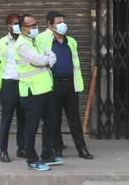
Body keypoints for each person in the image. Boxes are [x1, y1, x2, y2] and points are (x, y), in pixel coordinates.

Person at [40, 11, 93, 161]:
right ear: (50, 25)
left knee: (74, 118)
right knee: (54, 118)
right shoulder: (43, 40)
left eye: (63, 21)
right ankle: (57, 149)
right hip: (53, 85)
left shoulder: (71, 41)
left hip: (70, 84)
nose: (62, 25)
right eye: (58, 22)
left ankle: (82, 148)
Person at [15, 13, 57, 171]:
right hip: (32, 92)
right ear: (22, 29)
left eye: (36, 24)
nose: (35, 27)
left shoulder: (36, 40)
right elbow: (41, 60)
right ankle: (32, 159)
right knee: (31, 126)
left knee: (51, 122)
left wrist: (46, 60)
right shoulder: (22, 45)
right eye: (31, 26)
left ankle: (47, 154)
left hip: (46, 89)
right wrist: (46, 60)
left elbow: (52, 56)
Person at [0, 11, 27, 163]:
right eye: (16, 24)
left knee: (23, 118)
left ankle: (21, 148)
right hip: (9, 84)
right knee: (7, 118)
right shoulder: (0, 44)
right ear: (8, 26)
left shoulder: (26, 41)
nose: (18, 26)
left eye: (20, 24)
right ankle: (3, 150)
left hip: (24, 83)